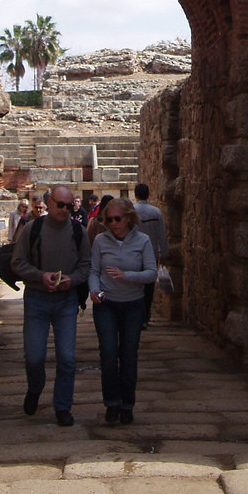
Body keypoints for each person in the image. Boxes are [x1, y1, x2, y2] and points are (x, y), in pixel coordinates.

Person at [12, 185, 90, 426]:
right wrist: (39, 276)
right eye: (60, 205)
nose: (64, 210)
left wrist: (72, 280)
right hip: (37, 298)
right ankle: (35, 387)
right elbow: (17, 262)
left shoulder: (79, 232)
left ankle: (62, 406)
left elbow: (86, 265)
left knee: (66, 357)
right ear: (49, 202)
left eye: (68, 206)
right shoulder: (33, 229)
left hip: (66, 301)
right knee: (34, 356)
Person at [89, 198, 157, 425]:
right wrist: (94, 290)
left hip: (132, 305)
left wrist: (127, 275)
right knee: (108, 354)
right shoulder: (100, 240)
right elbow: (94, 270)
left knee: (128, 356)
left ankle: (127, 404)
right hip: (107, 304)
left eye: (117, 219)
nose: (113, 223)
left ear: (128, 218)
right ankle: (112, 403)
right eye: (109, 219)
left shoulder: (143, 241)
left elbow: (151, 273)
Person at [133, 182, 169, 326]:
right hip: (152, 255)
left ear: (136, 195)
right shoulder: (156, 212)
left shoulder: (132, 212)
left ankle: (136, 316)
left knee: (136, 287)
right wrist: (164, 253)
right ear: (148, 194)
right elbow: (162, 235)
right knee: (148, 288)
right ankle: (145, 317)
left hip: (134, 255)